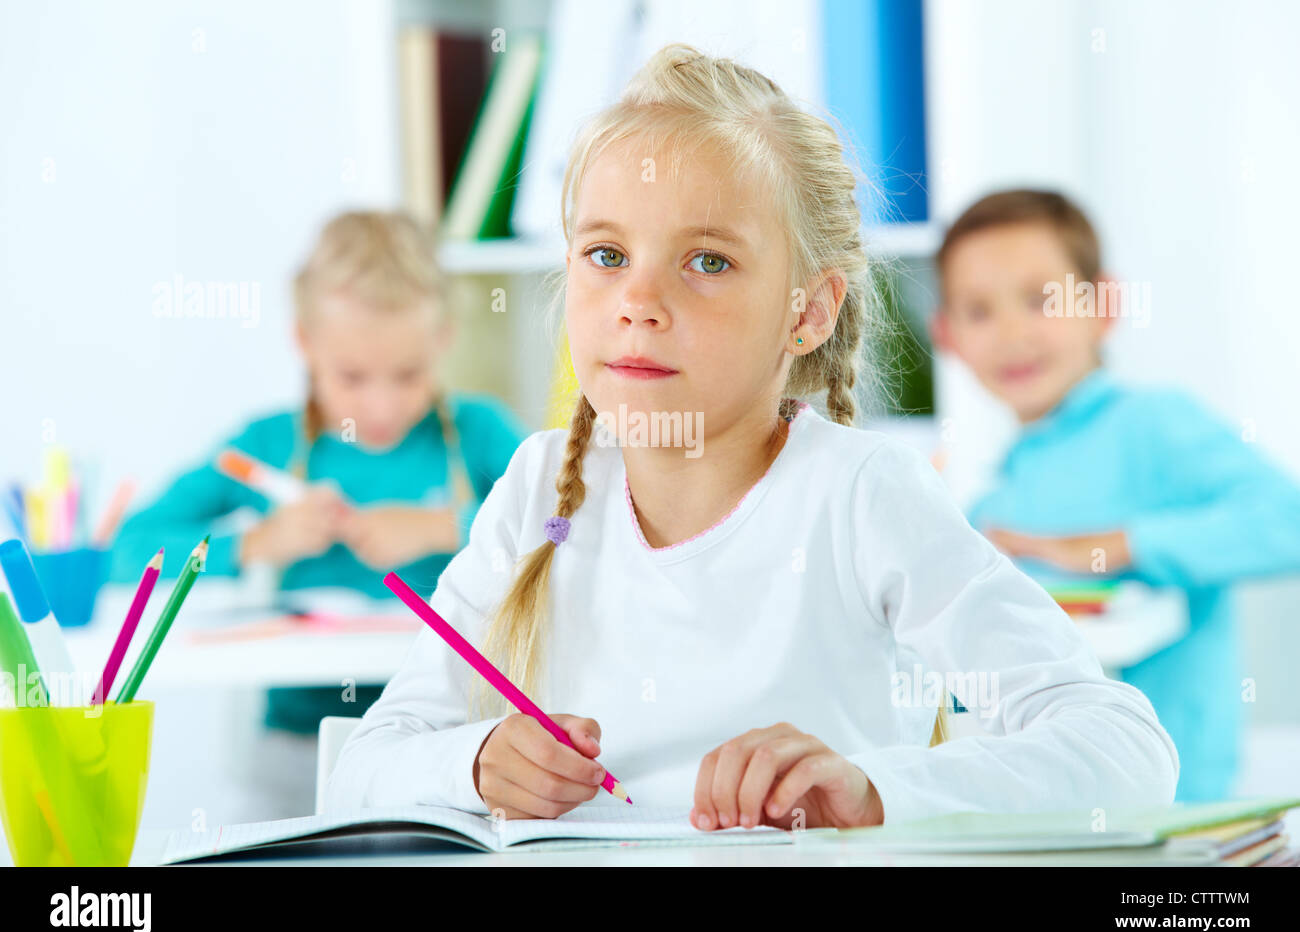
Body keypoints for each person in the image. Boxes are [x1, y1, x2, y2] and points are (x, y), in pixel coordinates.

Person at [327, 46, 1177, 828]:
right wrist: (472, 763)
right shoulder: (536, 489)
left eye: (708, 261)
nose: (638, 302)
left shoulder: (861, 495)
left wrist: (870, 788)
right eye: (606, 254)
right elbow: (363, 764)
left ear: (807, 311)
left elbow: (1126, 750)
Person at [109, 210, 529, 818]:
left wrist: (448, 527)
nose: (381, 403)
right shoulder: (267, 444)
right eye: (352, 377)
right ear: (305, 342)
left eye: (408, 375)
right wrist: (256, 544)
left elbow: (567, 532)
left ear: (442, 340)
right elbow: (129, 549)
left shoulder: (479, 434)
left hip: (456, 747)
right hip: (295, 752)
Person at [930, 188, 1300, 801]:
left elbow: (1287, 519)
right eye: (979, 310)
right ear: (947, 335)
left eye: (1041, 299)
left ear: (1104, 305)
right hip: (1056, 813)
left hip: (1179, 814)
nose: (1012, 331)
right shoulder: (992, 500)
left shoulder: (1153, 424)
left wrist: (1120, 545)